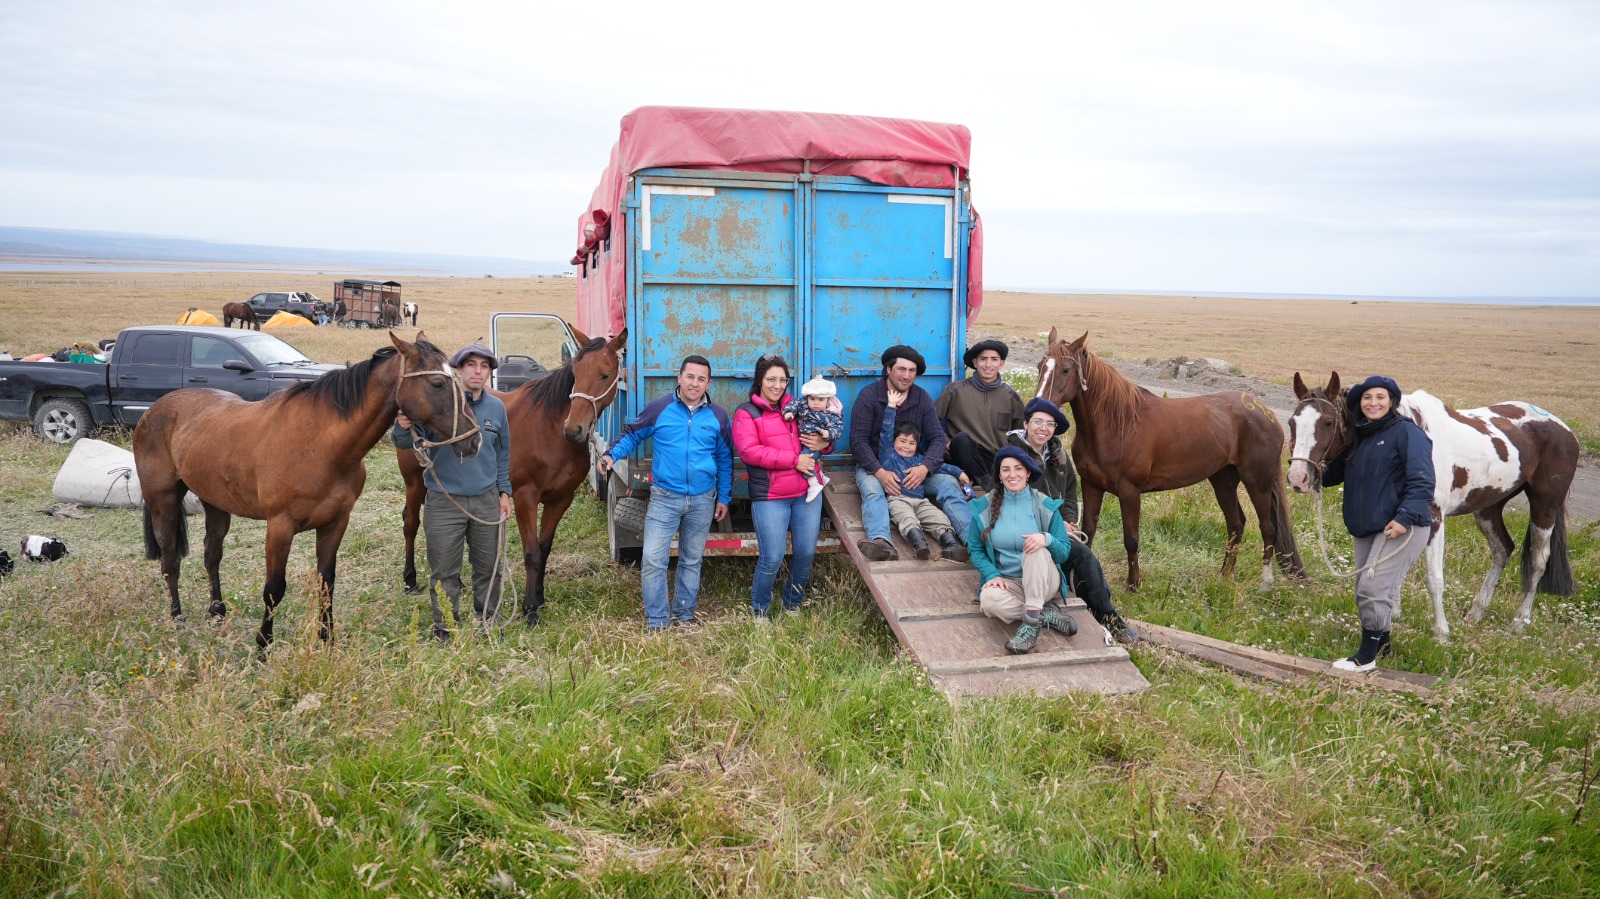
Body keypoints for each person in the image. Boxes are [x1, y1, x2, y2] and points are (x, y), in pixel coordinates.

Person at [598, 355, 732, 629]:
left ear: (708, 383)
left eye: (701, 379)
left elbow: (725, 458)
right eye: (690, 376)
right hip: (664, 498)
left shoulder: (717, 415)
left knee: (691, 560)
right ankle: (657, 621)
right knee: (653, 560)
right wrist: (611, 455)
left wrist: (724, 497)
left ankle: (684, 616)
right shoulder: (660, 408)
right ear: (679, 378)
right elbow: (633, 434)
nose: (695, 383)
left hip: (703, 499)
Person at [392, 343, 512, 641]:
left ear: (488, 373)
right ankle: (446, 629)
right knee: (444, 571)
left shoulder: (497, 408)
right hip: (444, 502)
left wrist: (504, 493)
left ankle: (488, 624)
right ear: (459, 369)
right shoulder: (439, 400)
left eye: (483, 366)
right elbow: (405, 442)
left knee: (489, 569)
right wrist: (402, 425)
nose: (477, 371)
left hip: (486, 500)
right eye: (471, 364)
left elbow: (503, 454)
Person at [969, 447, 1139, 653]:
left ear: (1028, 473)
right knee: (989, 602)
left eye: (1018, 469)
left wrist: (1046, 539)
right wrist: (992, 574)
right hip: (1009, 582)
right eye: (1005, 470)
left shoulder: (1045, 505)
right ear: (999, 474)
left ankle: (1030, 628)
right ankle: (1045, 614)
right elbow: (975, 548)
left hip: (1044, 579)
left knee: (1035, 548)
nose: (1012, 474)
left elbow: (1064, 551)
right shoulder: (983, 507)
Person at [1321, 375, 1434, 672]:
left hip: (1402, 527)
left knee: (1373, 590)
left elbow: (1423, 482)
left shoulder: (1408, 434)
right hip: (1367, 527)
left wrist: (1403, 518)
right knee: (1365, 589)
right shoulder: (1359, 436)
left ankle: (1365, 658)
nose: (1373, 403)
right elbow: (1336, 474)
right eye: (1367, 398)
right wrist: (1310, 475)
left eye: (1380, 397)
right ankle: (1383, 646)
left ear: (1392, 401)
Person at [732, 355, 832, 617]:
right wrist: (794, 461)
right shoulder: (746, 413)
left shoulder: (800, 407)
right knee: (772, 557)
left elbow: (822, 432)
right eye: (771, 379)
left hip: (807, 494)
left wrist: (826, 444)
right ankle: (760, 610)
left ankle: (792, 603)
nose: (777, 385)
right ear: (760, 380)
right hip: (771, 496)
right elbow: (750, 452)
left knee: (806, 553)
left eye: (782, 380)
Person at [849, 344, 970, 561]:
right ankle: (881, 542)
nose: (906, 376)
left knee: (949, 485)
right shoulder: (869, 396)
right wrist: (879, 472)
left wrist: (925, 467)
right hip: (875, 465)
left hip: (913, 469)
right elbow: (858, 441)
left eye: (912, 371)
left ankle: (971, 540)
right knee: (873, 490)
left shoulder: (921, 398)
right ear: (888, 369)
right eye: (901, 369)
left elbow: (936, 438)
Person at [936, 339, 1024, 487]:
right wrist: (945, 442)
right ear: (975, 362)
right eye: (983, 359)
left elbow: (1020, 432)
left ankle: (991, 480)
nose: (988, 364)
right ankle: (988, 485)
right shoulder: (954, 390)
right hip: (962, 457)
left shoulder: (1011, 396)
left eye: (994, 359)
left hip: (994, 460)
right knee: (962, 439)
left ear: (1001, 364)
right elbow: (930, 419)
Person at [879, 421, 971, 561]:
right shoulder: (888, 455)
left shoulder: (921, 460)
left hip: (921, 501)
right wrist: (891, 406)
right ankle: (920, 544)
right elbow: (886, 432)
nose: (906, 447)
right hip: (898, 498)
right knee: (906, 518)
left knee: (939, 518)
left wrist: (959, 473)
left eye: (912, 443)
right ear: (893, 441)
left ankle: (951, 545)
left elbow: (940, 466)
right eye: (902, 441)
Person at [1004, 397, 1081, 532]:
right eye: (1038, 422)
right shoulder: (1010, 457)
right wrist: (1054, 524)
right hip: (1023, 530)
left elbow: (1070, 492)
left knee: (1082, 552)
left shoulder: (1060, 455)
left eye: (1050, 424)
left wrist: (1069, 520)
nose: (1043, 428)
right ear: (1026, 424)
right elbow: (1007, 502)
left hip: (1060, 527)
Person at [782, 376, 843, 502]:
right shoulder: (804, 404)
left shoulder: (830, 415)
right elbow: (794, 404)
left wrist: (829, 434)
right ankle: (822, 477)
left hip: (814, 444)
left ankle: (814, 484)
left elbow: (838, 428)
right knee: (806, 457)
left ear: (828, 400)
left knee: (806, 460)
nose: (815, 403)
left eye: (820, 400)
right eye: (812, 399)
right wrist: (789, 412)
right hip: (804, 440)